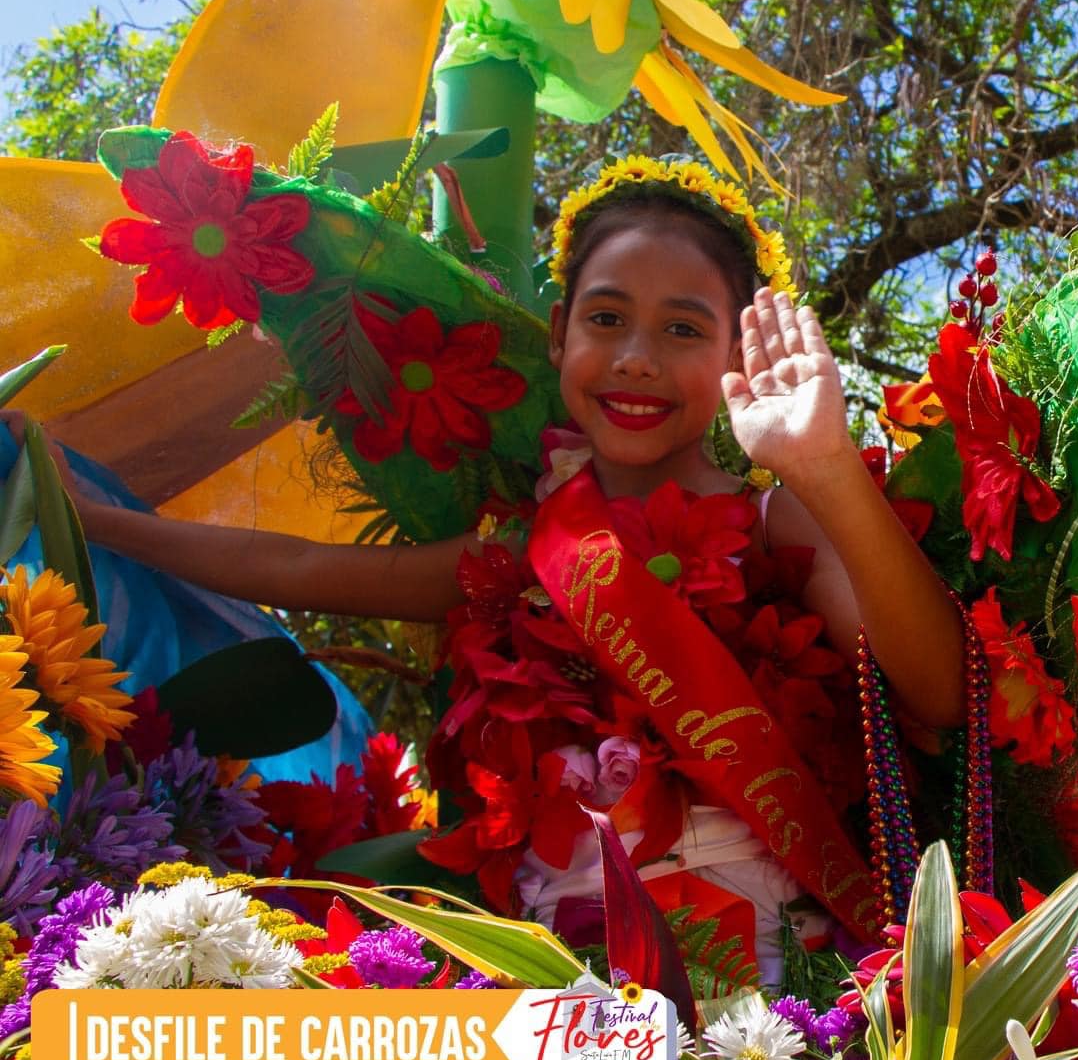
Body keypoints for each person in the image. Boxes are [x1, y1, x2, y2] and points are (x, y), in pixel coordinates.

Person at [8, 158, 967, 983]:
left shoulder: (777, 516)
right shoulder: (520, 553)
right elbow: (292, 564)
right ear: (558, 338)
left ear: (735, 350)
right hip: (567, 1005)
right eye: (607, 319)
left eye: (683, 329)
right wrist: (91, 519)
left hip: (782, 1009)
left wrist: (827, 467)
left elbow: (939, 690)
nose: (636, 358)